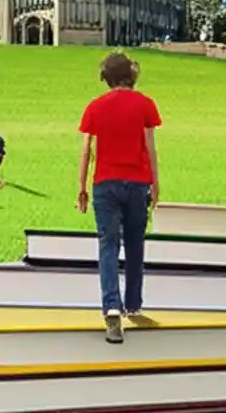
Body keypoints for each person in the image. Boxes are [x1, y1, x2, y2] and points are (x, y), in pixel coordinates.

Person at [76, 52, 161, 345]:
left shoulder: (95, 108)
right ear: (130, 74)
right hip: (137, 183)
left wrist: (82, 186)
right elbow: (150, 147)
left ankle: (111, 305)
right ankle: (134, 302)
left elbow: (87, 149)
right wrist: (156, 183)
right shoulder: (146, 104)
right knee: (135, 243)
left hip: (105, 184)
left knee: (108, 245)